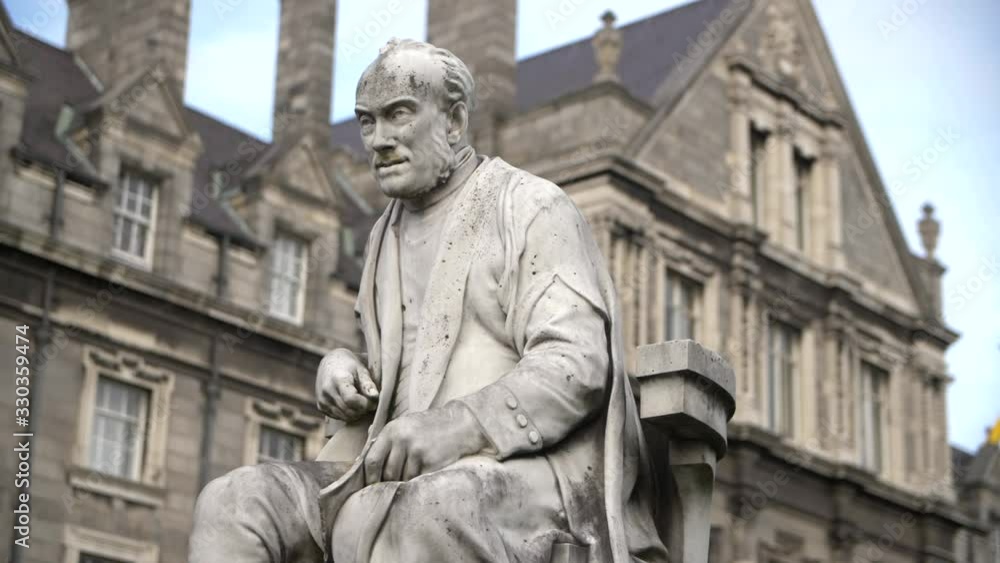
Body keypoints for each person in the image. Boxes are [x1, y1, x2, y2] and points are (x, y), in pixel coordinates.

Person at [189, 38, 667, 563]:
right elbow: (405, 374)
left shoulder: (531, 205)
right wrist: (345, 368)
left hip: (529, 468)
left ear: (455, 120)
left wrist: (457, 426)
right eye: (367, 122)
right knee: (231, 502)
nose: (379, 140)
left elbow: (577, 363)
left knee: (421, 513)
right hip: (389, 465)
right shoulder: (382, 235)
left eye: (398, 115)